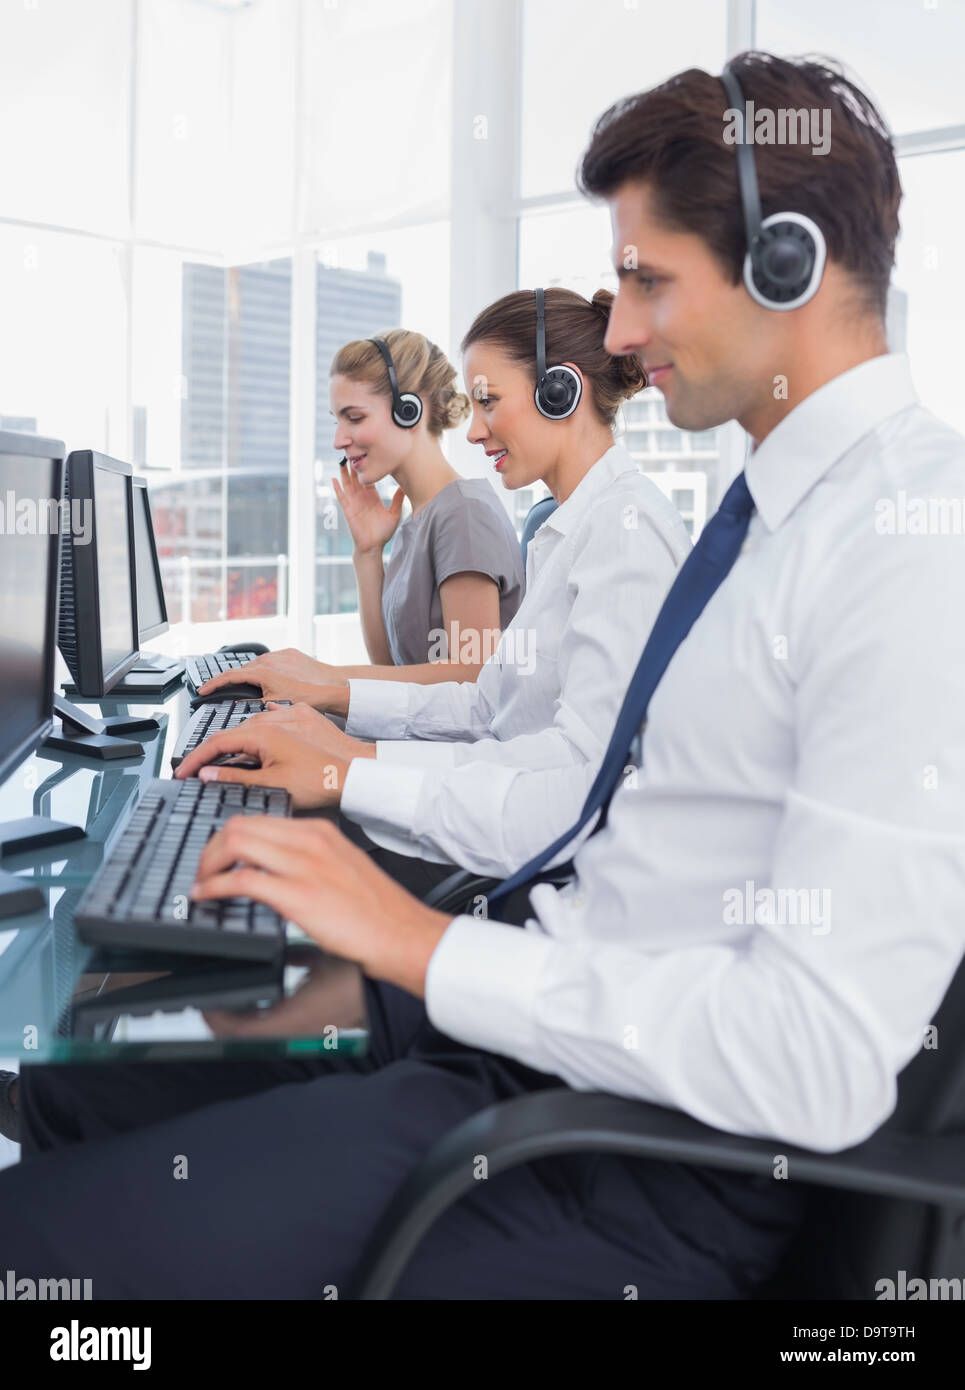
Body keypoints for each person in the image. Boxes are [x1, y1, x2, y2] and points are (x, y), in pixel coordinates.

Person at [5, 51, 965, 1302]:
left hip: (611, 1158)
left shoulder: (905, 548)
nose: (616, 333)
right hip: (528, 1034)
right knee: (87, 1072)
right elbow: (529, 743)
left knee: (39, 1263)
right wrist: (392, 868)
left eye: (646, 283)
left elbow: (817, 1057)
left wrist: (410, 934)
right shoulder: (777, 514)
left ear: (790, 262)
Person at [180, 287, 693, 884]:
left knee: (247, 845)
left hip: (537, 865)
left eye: (489, 402)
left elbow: (580, 777)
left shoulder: (624, 530)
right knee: (242, 822)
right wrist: (340, 724)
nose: (474, 432)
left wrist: (351, 762)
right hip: (487, 812)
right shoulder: (563, 530)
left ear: (563, 391)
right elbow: (483, 708)